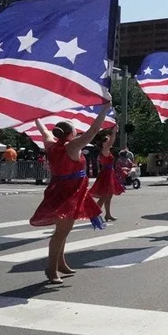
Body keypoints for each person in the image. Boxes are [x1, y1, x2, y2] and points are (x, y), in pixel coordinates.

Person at [29, 104, 111, 284]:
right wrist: (104, 110)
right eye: (75, 130)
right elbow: (94, 130)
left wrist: (35, 115)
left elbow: (42, 129)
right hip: (69, 193)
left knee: (64, 231)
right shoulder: (72, 146)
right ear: (71, 133)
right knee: (61, 232)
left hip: (60, 189)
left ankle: (60, 263)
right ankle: (51, 269)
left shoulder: (50, 143)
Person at [89, 125, 124, 222]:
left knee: (109, 196)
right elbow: (111, 142)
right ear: (104, 143)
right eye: (107, 141)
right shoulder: (105, 150)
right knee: (104, 196)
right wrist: (114, 132)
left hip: (108, 173)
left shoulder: (106, 151)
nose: (109, 142)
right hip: (106, 174)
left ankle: (107, 214)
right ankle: (94, 214)